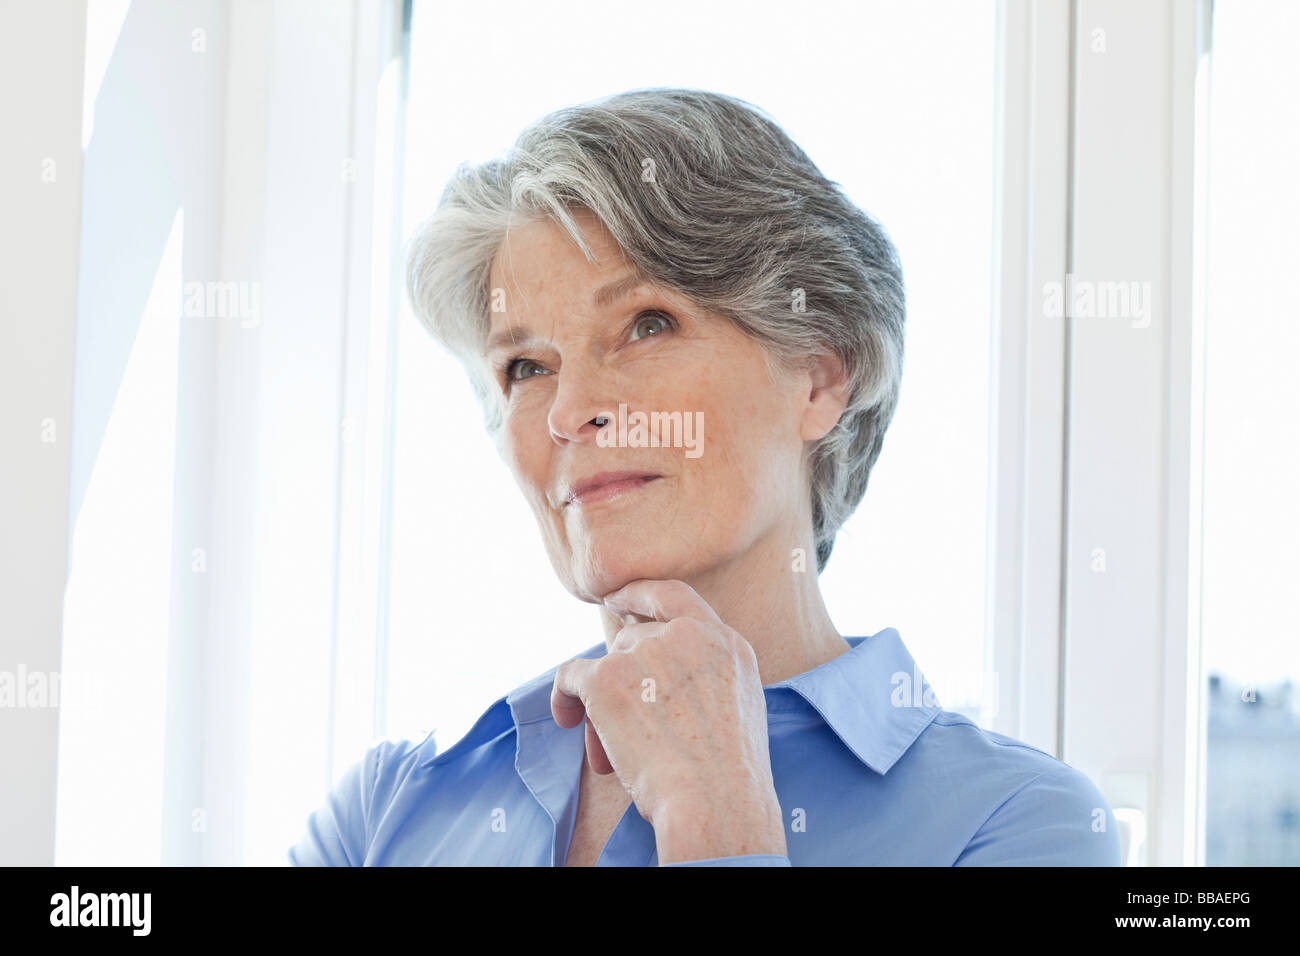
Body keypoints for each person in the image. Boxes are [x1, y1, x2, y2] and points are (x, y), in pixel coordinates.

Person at [288, 88, 1121, 866]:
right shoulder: (384, 812)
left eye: (647, 324)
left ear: (822, 378)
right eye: (525, 366)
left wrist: (719, 822)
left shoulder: (1019, 824)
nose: (569, 410)